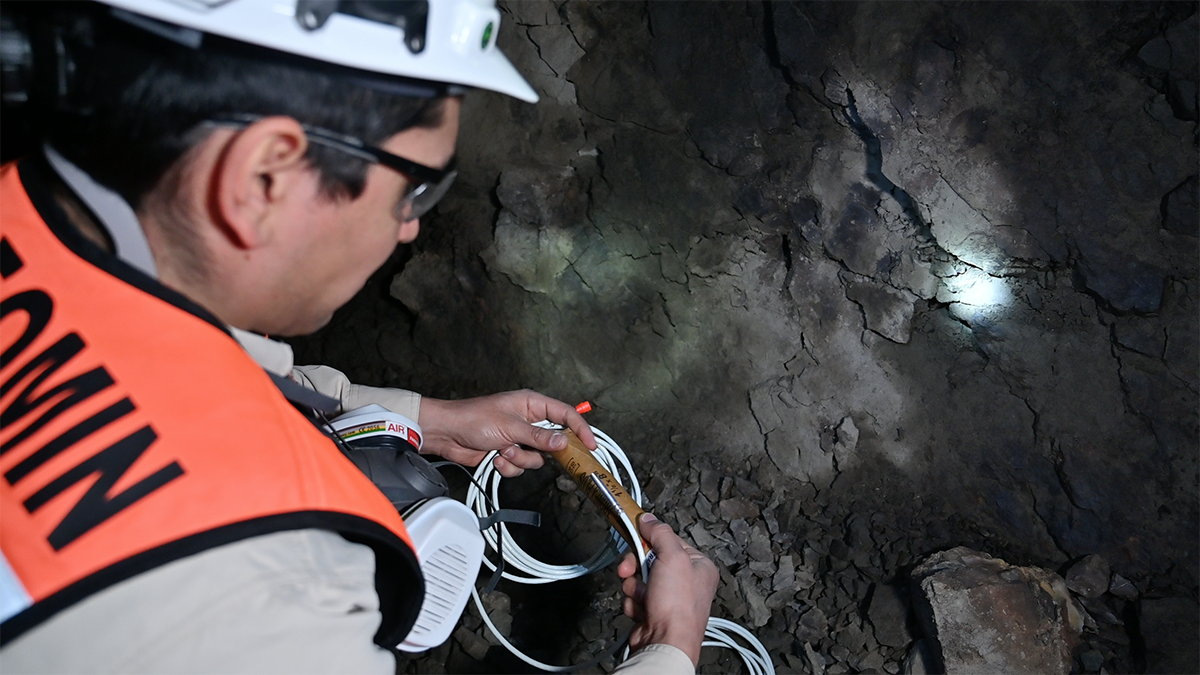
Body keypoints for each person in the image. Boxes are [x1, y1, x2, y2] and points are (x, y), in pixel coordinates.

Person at [0, 1, 718, 673]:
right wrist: (670, 647)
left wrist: (423, 420)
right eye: (413, 191)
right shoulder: (284, 603)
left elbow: (166, 372)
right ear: (263, 177)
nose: (410, 227)